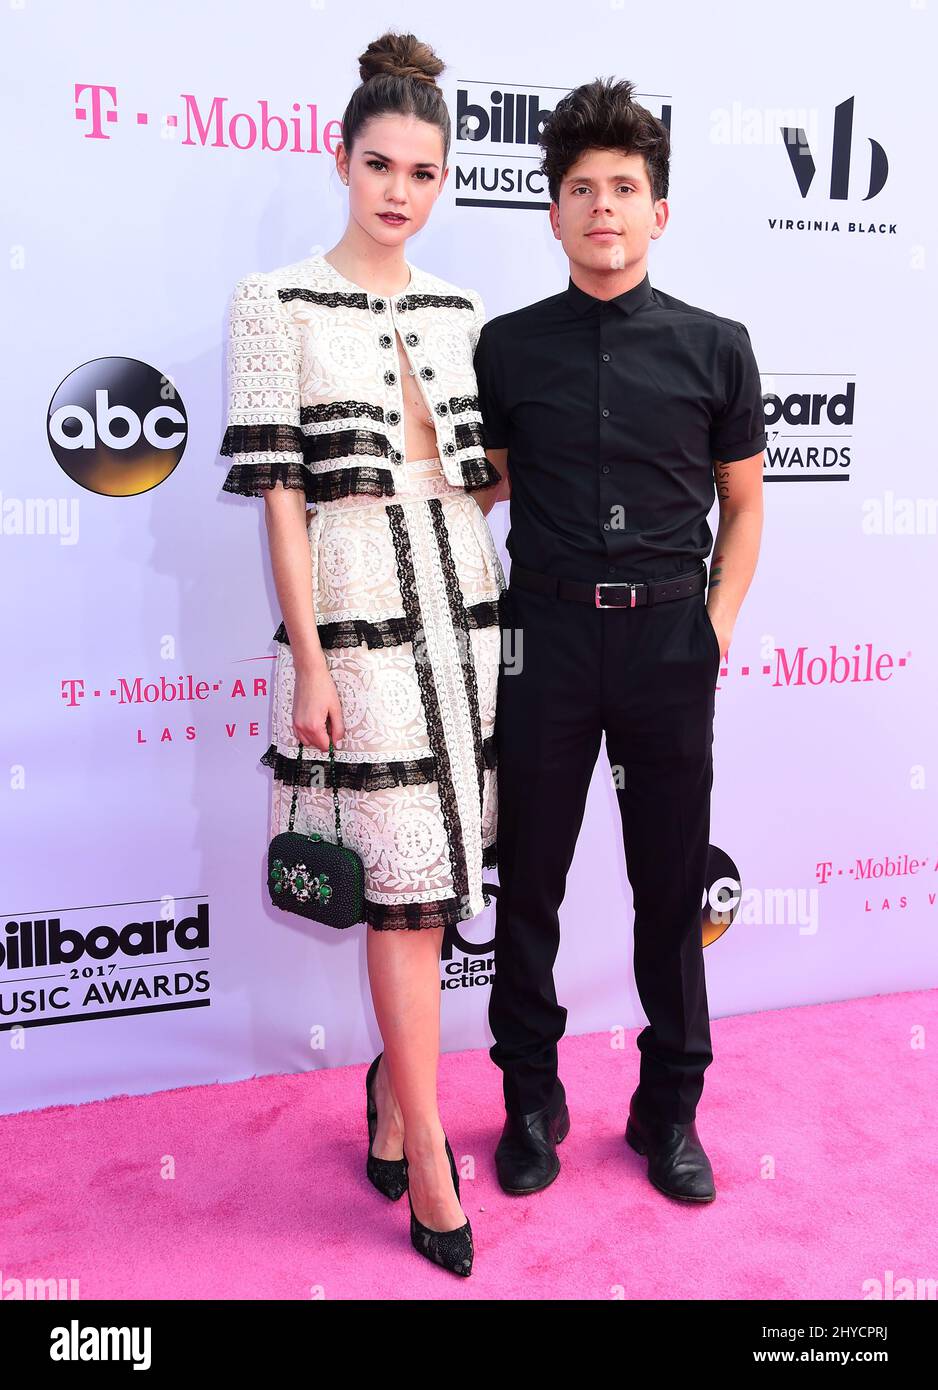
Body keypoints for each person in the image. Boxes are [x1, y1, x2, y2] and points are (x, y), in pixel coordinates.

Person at [218, 31, 506, 1277]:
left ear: (442, 181)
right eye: (379, 164)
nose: (399, 189)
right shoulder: (271, 299)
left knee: (437, 882)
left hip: (466, 615)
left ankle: (396, 1083)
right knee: (394, 883)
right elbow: (281, 495)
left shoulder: (460, 309)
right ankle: (432, 1152)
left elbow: (476, 484)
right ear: (339, 161)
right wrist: (314, 659)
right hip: (354, 620)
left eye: (423, 172)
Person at [473, 76, 766, 1204]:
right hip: (541, 640)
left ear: (658, 212)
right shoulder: (505, 348)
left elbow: (742, 504)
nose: (604, 206)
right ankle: (529, 1102)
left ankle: (667, 1111)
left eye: (626, 188)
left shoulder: (716, 347)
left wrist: (714, 622)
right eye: (582, 189)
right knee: (530, 885)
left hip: (664, 648)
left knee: (668, 888)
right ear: (550, 212)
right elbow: (485, 489)